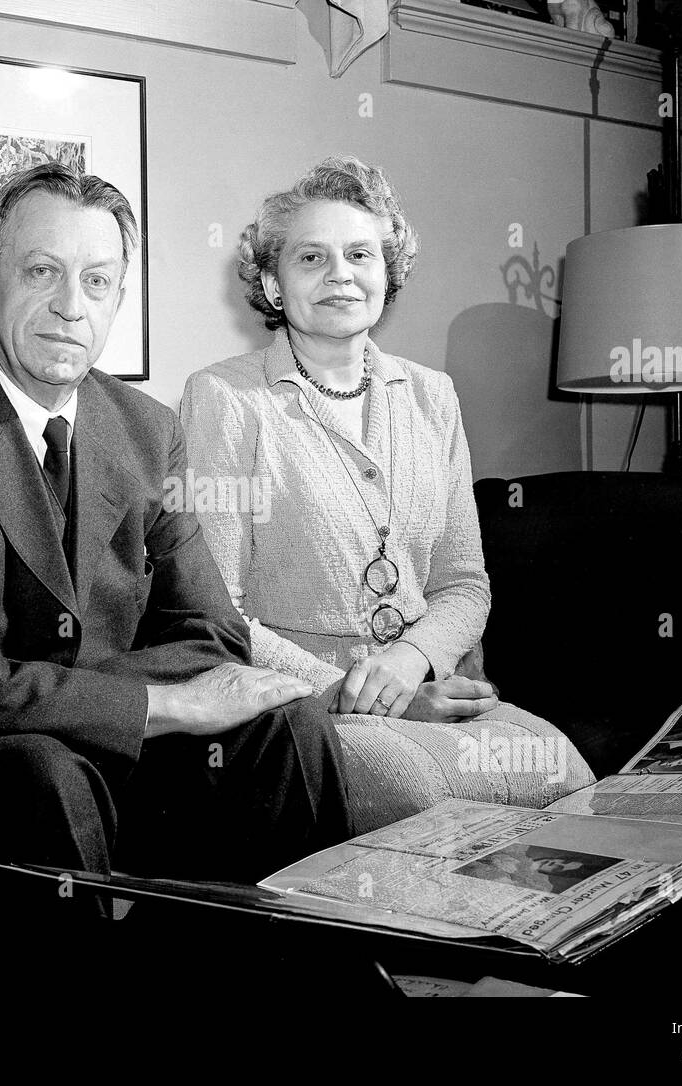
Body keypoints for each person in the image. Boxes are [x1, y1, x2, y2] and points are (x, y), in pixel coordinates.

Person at [0, 163, 353, 894]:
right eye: (43, 271)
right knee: (42, 775)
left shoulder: (148, 429)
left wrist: (100, 708)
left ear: (116, 302)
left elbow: (213, 635)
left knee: (292, 731)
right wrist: (152, 704)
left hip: (119, 758)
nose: (71, 306)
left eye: (96, 282)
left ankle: (300, 985)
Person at [180, 156, 594, 834]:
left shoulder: (433, 395)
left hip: (429, 680)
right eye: (311, 257)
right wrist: (361, 692)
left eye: (360, 255)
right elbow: (216, 612)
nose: (340, 273)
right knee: (418, 804)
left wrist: (411, 661)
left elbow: (464, 583)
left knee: (568, 778)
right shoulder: (224, 397)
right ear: (273, 285)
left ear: (386, 274)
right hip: (299, 702)